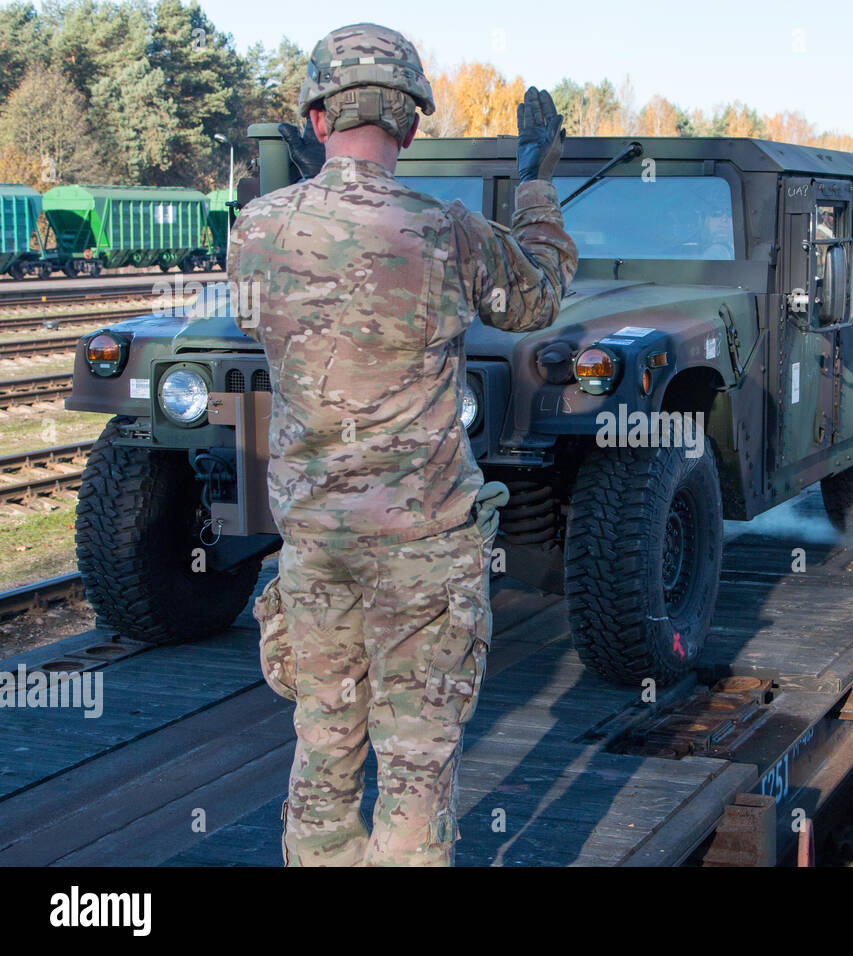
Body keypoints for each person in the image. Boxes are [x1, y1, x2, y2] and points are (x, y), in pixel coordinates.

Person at [227, 22, 578, 866]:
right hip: (422, 546)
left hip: (316, 544)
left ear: (318, 119)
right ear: (411, 125)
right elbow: (538, 297)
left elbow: (255, 319)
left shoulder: (256, 230)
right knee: (416, 765)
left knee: (324, 746)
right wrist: (533, 183)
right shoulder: (446, 231)